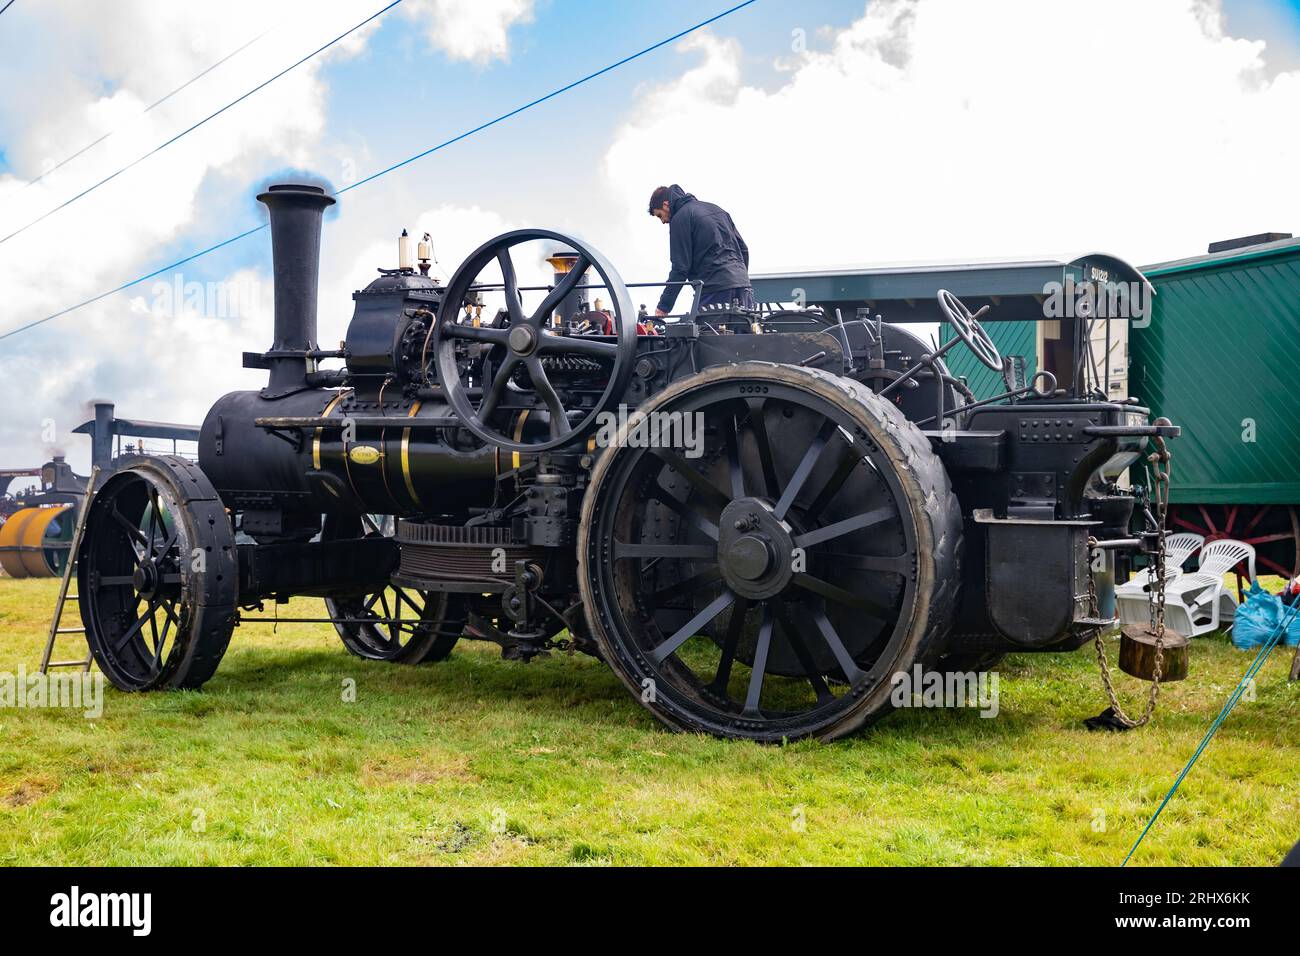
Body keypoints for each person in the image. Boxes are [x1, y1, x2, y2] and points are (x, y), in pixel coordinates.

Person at [648, 184, 752, 316]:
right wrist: (739, 278)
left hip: (714, 290)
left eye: (659, 215)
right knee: (745, 334)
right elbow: (743, 249)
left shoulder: (680, 218)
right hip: (743, 287)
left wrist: (664, 306)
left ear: (665, 204)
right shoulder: (718, 210)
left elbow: (680, 268)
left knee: (707, 335)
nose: (663, 221)